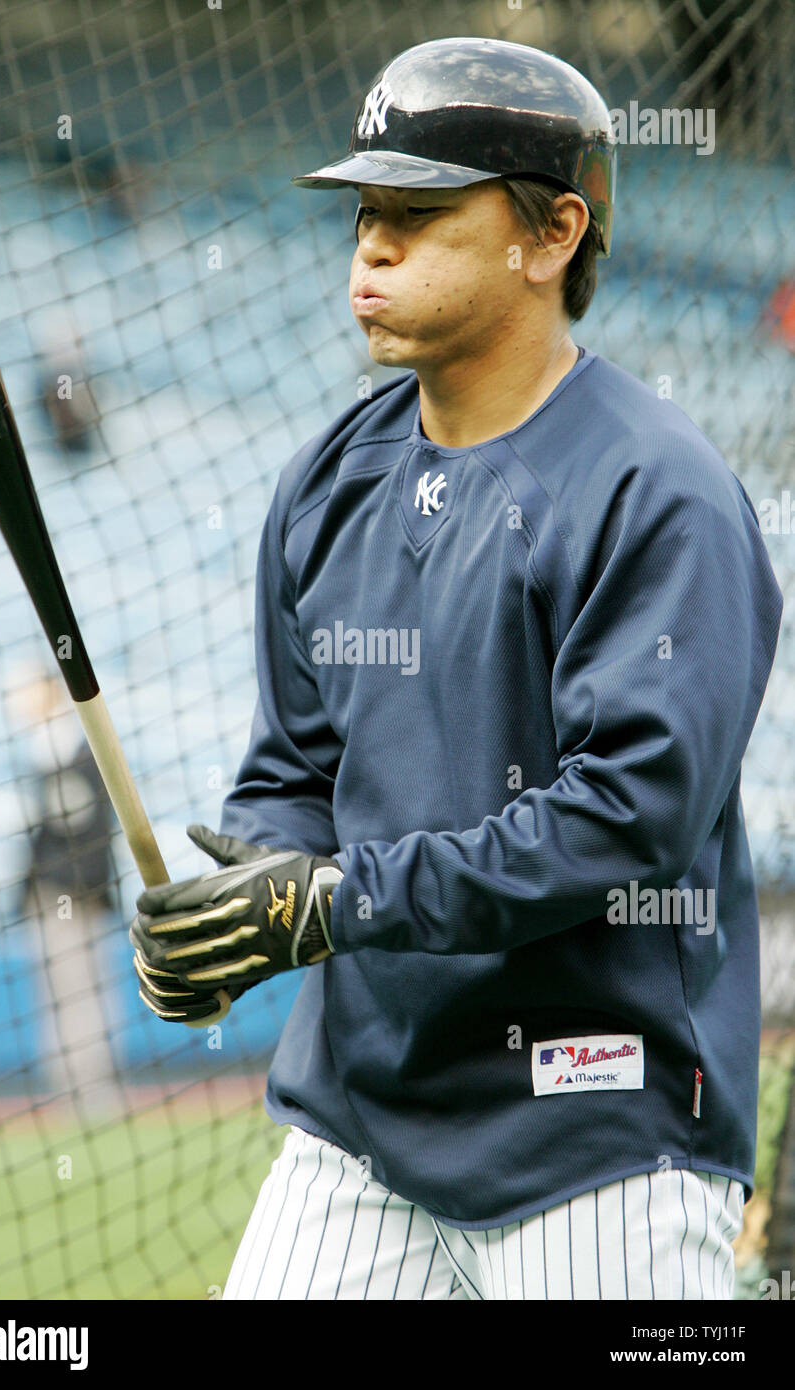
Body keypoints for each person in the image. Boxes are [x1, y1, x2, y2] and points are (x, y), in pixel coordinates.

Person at [129, 37, 783, 1299]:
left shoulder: (662, 492)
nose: (371, 246)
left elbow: (620, 824)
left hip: (599, 1137)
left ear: (551, 235)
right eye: (367, 211)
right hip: (359, 1132)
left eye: (420, 213)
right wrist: (247, 900)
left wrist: (334, 902)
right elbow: (297, 770)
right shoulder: (325, 483)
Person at [11, 667, 120, 1110]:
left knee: (81, 992)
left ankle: (90, 1090)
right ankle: (71, 1088)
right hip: (54, 900)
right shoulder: (45, 750)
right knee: (62, 994)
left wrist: (82, 890)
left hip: (73, 900)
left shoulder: (70, 749)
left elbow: (84, 828)